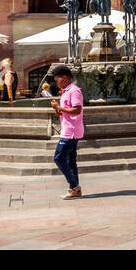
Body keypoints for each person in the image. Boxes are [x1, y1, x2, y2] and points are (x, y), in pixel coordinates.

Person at [49, 64, 84, 200]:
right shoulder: (65, 92)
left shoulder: (74, 91)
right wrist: (56, 108)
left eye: (56, 78)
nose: (55, 81)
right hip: (68, 130)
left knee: (58, 158)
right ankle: (74, 190)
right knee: (70, 161)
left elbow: (77, 110)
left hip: (72, 131)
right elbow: (62, 113)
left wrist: (60, 107)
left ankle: (74, 186)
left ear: (65, 77)